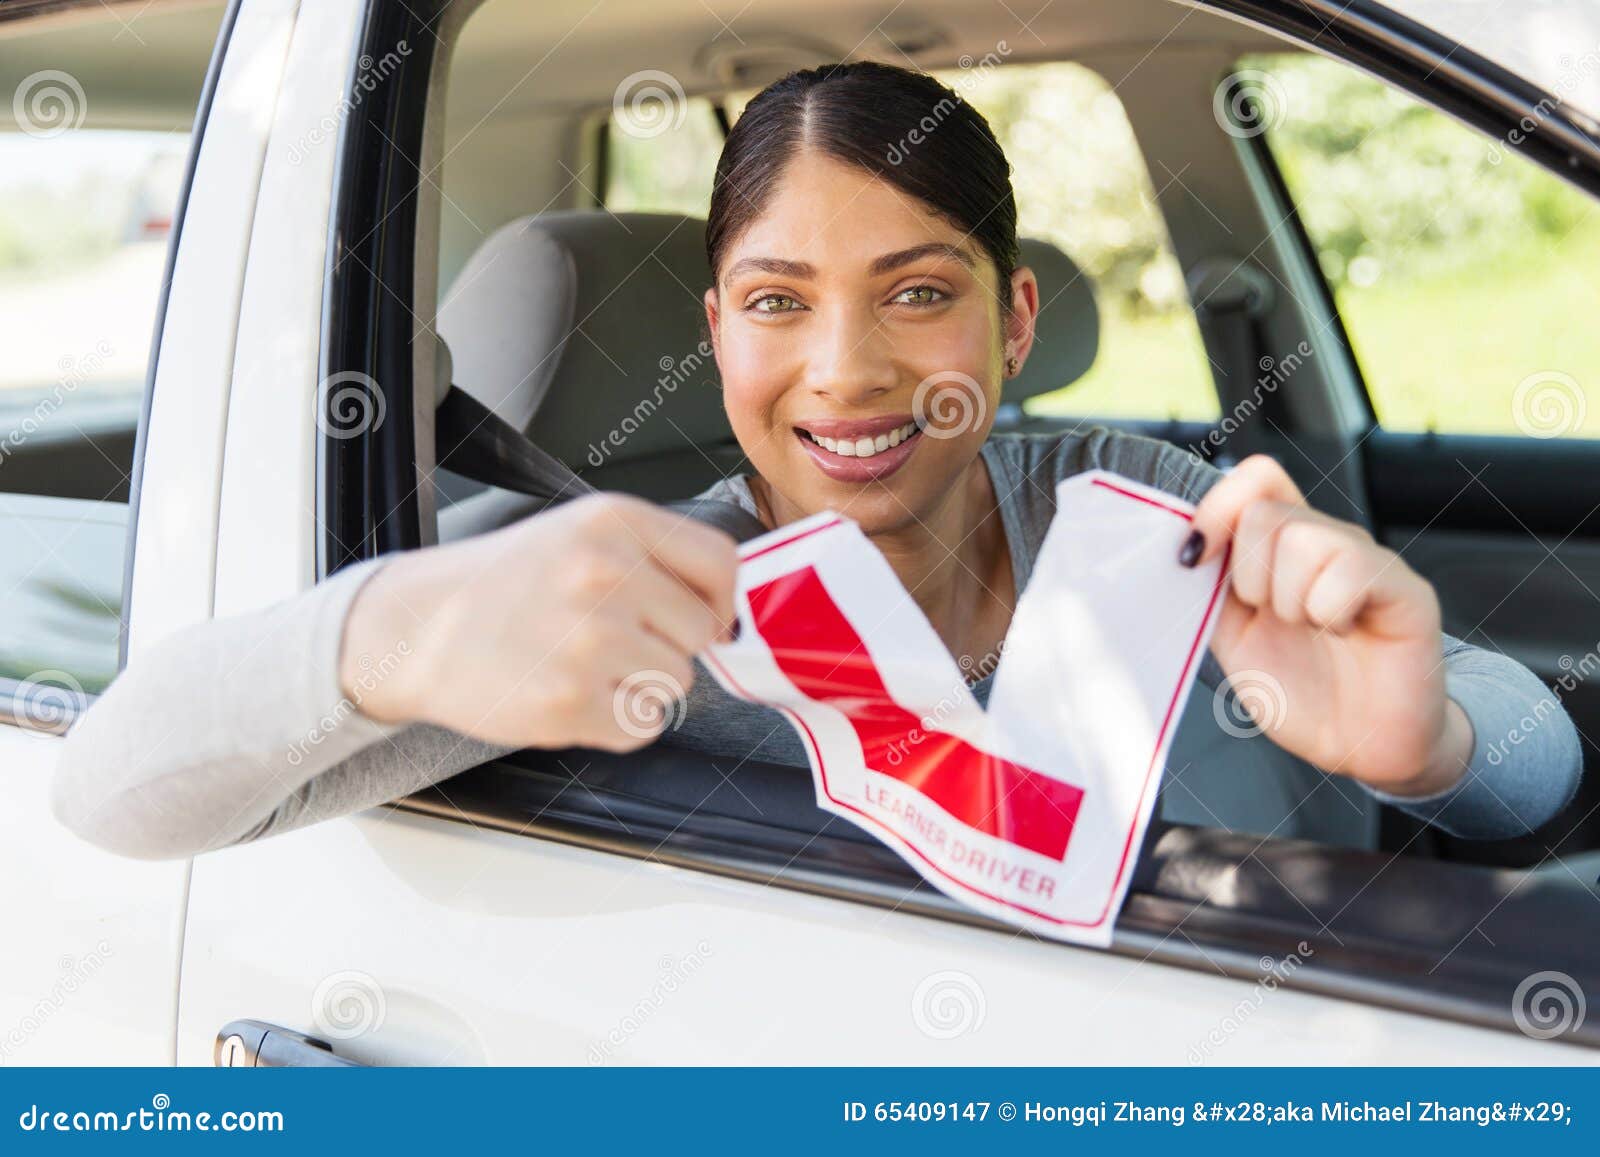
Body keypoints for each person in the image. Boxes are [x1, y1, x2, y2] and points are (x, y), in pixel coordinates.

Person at [53, 61, 1580, 862]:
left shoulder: (1133, 505)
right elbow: (113, 797)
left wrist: (1435, 740)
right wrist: (394, 630)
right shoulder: (639, 613)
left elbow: (1535, 779)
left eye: (919, 293)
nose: (847, 371)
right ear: (716, 333)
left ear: (1014, 317)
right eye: (780, 304)